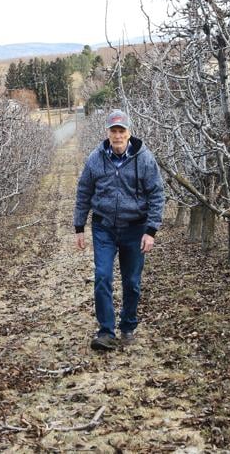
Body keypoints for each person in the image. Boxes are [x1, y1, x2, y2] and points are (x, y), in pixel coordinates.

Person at [73, 109, 165, 351]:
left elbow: (157, 194)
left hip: (135, 228)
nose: (117, 135)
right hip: (104, 226)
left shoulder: (144, 159)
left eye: (121, 130)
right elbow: (84, 192)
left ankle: (128, 326)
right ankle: (105, 331)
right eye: (113, 131)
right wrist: (79, 226)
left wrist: (151, 230)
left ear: (129, 133)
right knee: (103, 276)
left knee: (131, 281)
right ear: (108, 133)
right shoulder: (96, 158)